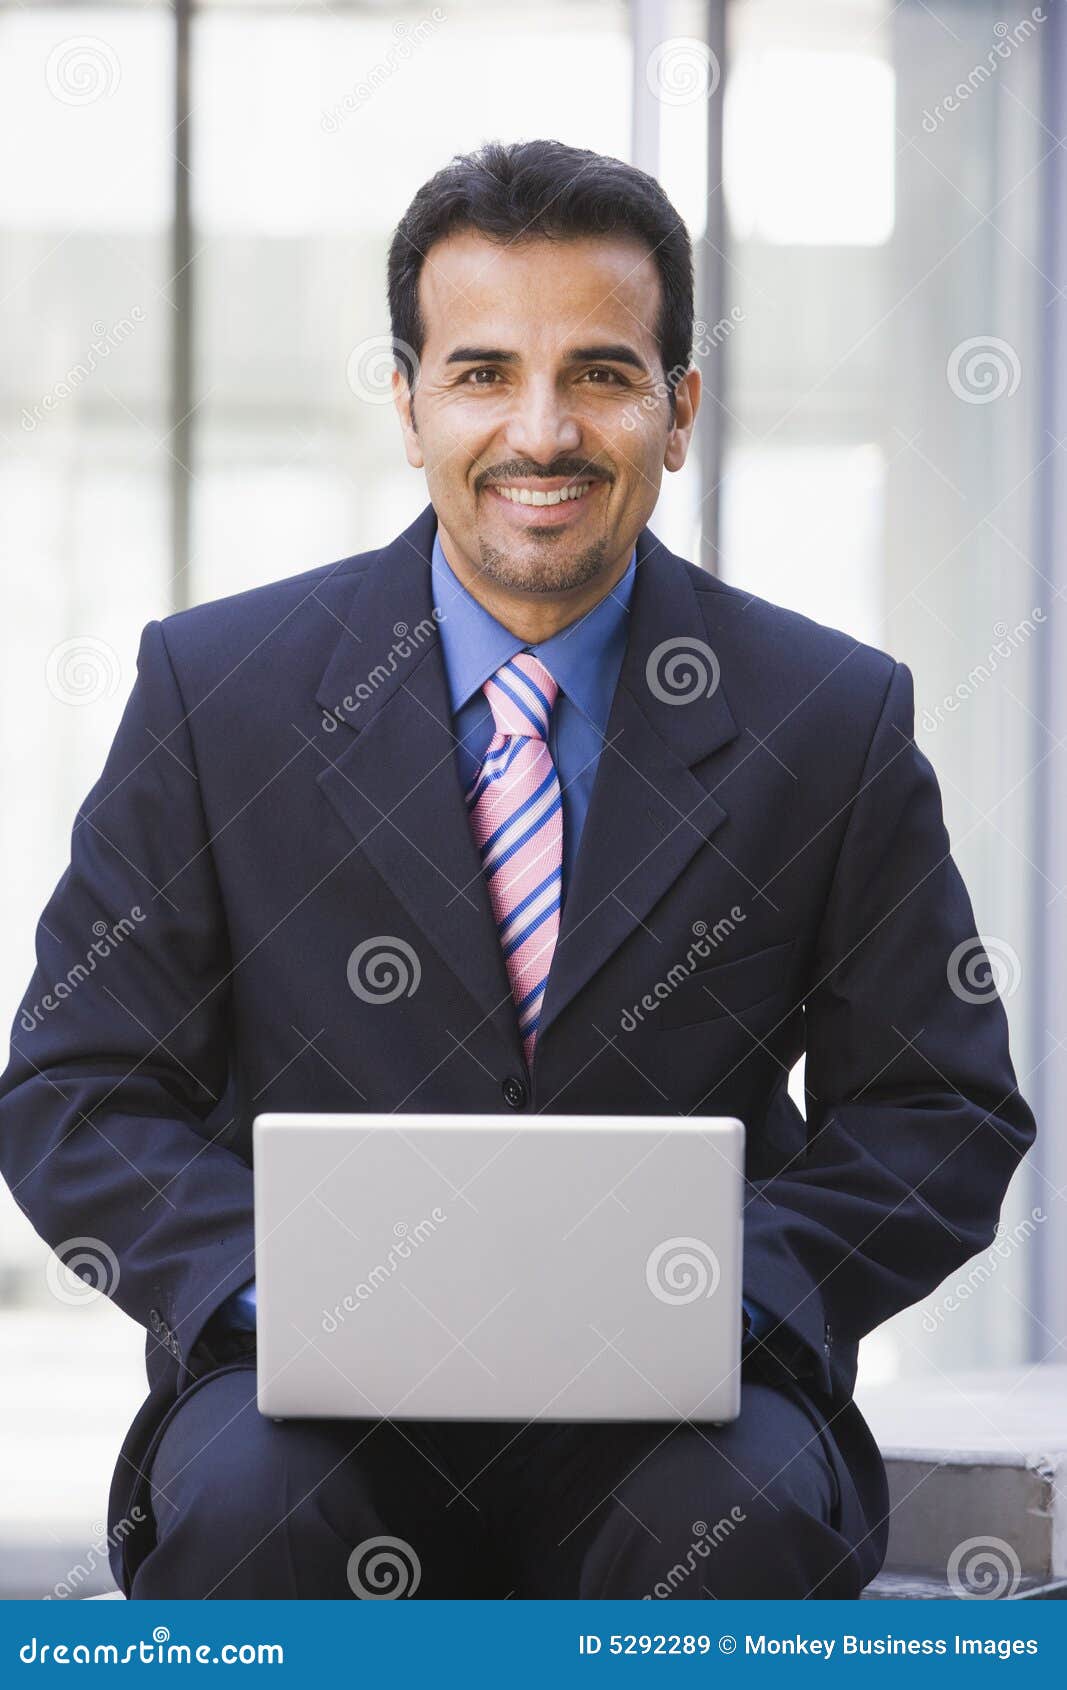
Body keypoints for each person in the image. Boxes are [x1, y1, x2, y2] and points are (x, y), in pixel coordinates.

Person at [0, 139, 1036, 1600]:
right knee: (253, 1515)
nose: (540, 430)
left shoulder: (827, 719)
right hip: (302, 1393)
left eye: (601, 374)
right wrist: (272, 1289)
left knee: (737, 1523)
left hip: (692, 1396)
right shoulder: (216, 692)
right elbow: (77, 1085)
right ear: (412, 403)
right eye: (483, 372)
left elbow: (942, 1106)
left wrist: (721, 1289)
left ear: (676, 411)